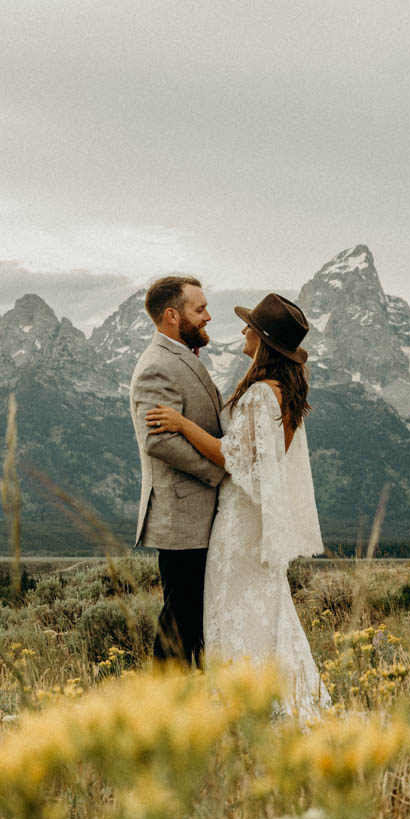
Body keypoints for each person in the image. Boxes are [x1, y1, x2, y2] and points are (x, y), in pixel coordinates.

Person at [145, 292, 330, 719]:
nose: (243, 330)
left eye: (250, 326)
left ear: (262, 340)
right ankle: (265, 702)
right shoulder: (284, 390)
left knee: (232, 613)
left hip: (239, 524)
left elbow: (234, 458)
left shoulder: (262, 393)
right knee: (263, 613)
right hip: (253, 521)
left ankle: (242, 709)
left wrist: (181, 423)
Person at [128, 276, 224, 665]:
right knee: (180, 624)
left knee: (193, 620)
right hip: (182, 517)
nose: (208, 316)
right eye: (199, 309)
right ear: (172, 315)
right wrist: (219, 473)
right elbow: (159, 442)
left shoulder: (182, 357)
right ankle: (163, 711)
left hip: (198, 515)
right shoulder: (157, 366)